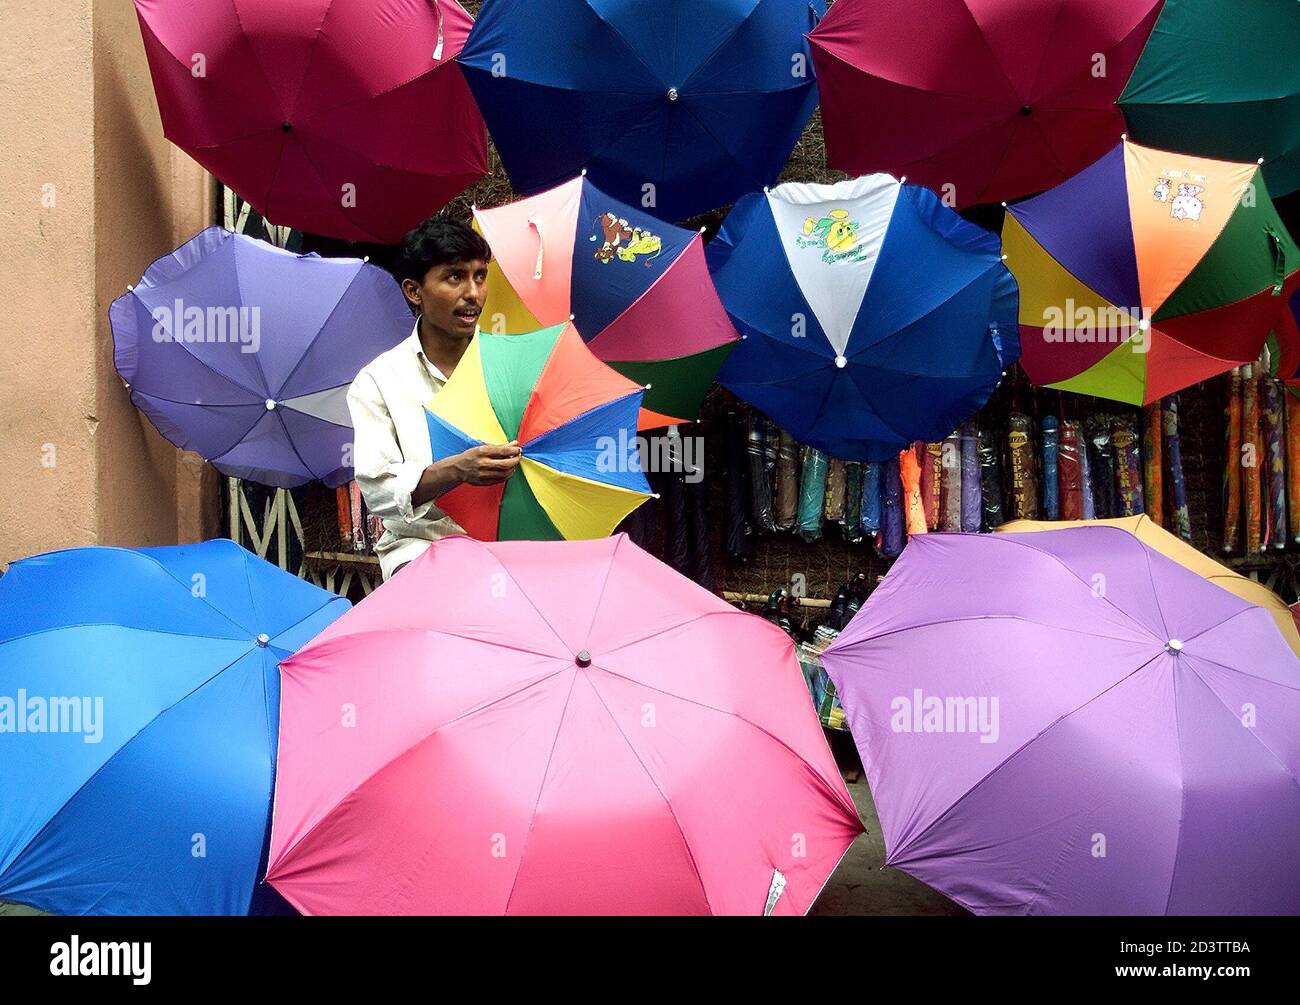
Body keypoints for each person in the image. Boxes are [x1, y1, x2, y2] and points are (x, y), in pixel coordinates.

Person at [347, 217, 521, 579]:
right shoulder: (377, 382)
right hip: (422, 553)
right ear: (414, 291)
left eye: (480, 276)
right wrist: (457, 470)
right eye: (454, 277)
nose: (473, 293)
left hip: (511, 548)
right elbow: (380, 493)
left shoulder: (513, 366)